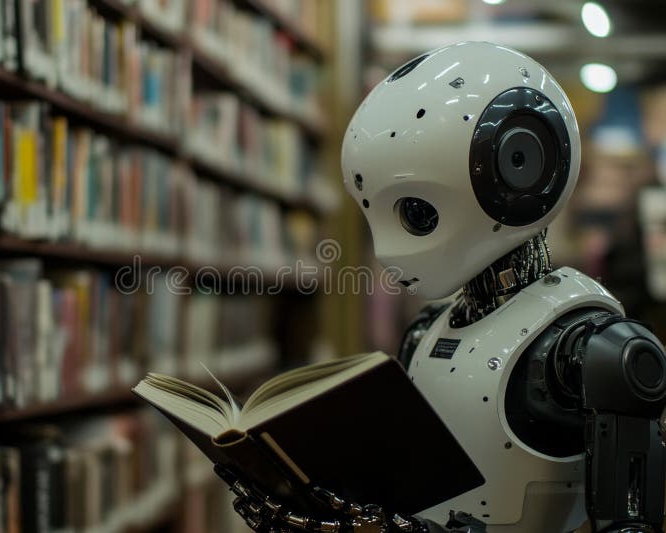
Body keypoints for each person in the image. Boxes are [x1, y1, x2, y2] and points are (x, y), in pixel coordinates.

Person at [217, 42, 666, 533]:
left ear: (519, 170)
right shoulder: (429, 331)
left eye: (415, 213)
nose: (387, 252)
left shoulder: (583, 350)